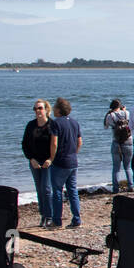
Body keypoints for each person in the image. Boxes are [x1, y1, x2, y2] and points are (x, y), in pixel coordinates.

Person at [47, 97, 83, 228]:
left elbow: (54, 143)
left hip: (60, 161)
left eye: (55, 108)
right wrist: (74, 153)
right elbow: (79, 142)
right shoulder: (74, 122)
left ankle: (57, 220)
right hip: (73, 161)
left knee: (57, 191)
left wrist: (51, 158)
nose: (53, 110)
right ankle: (77, 219)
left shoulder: (56, 123)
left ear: (59, 110)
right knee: (72, 191)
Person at [22, 99, 54, 226]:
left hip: (49, 162)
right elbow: (25, 144)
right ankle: (43, 215)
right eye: (35, 109)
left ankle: (50, 216)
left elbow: (57, 145)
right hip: (35, 162)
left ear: (46, 110)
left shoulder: (52, 125)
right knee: (39, 189)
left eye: (40, 108)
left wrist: (51, 159)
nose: (37, 111)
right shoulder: (31, 125)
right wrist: (31, 159)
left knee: (46, 189)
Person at [104, 99, 133, 194]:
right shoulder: (127, 113)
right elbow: (131, 124)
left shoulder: (110, 116)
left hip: (116, 142)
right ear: (120, 106)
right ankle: (131, 185)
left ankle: (115, 189)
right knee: (128, 167)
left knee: (116, 167)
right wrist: (124, 111)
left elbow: (105, 127)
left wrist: (108, 114)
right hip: (128, 141)